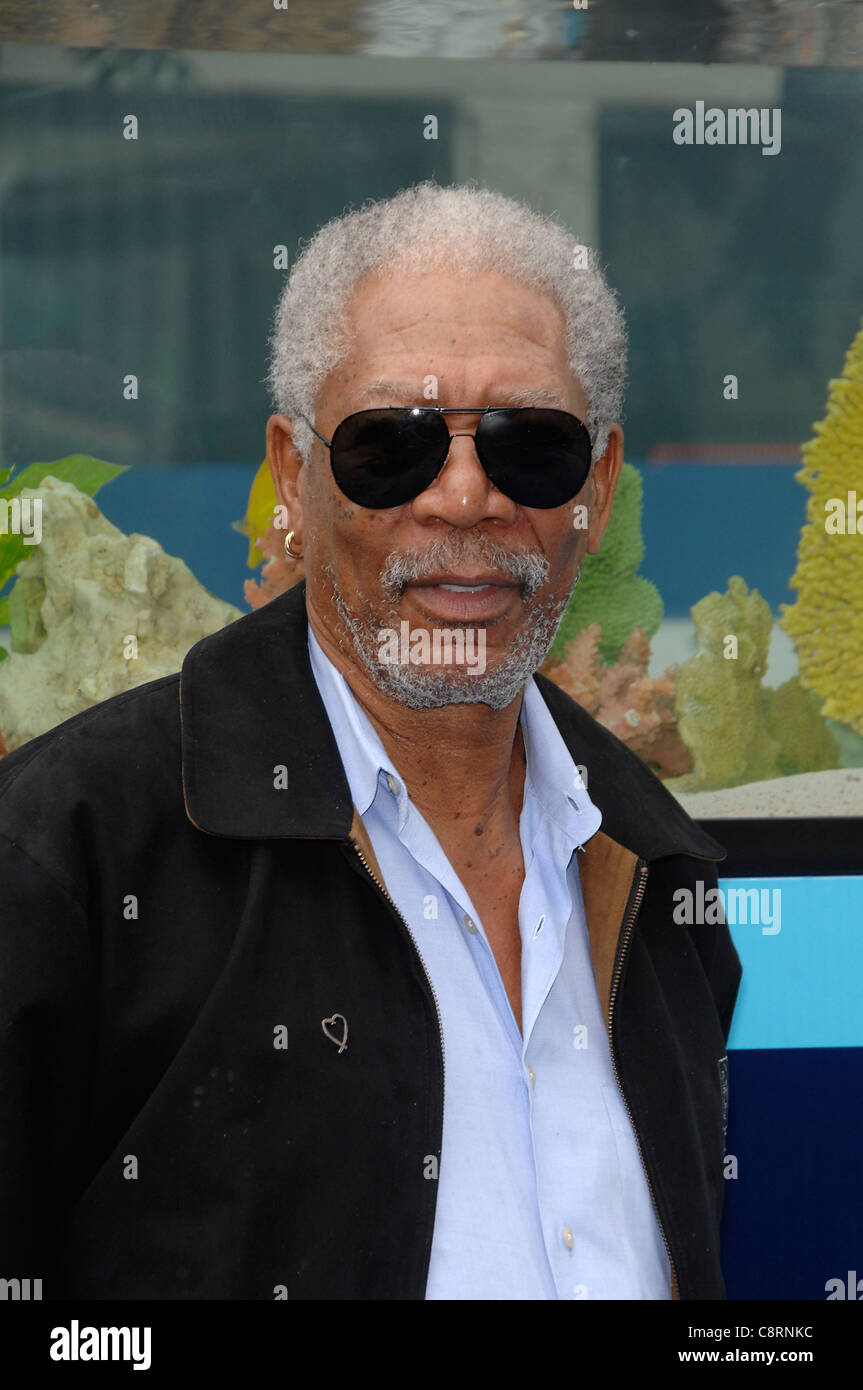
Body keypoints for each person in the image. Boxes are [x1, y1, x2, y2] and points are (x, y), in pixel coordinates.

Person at [0, 181, 740, 1301]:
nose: (463, 495)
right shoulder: (71, 853)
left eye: (528, 445)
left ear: (594, 484)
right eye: (389, 444)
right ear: (292, 475)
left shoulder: (655, 869)